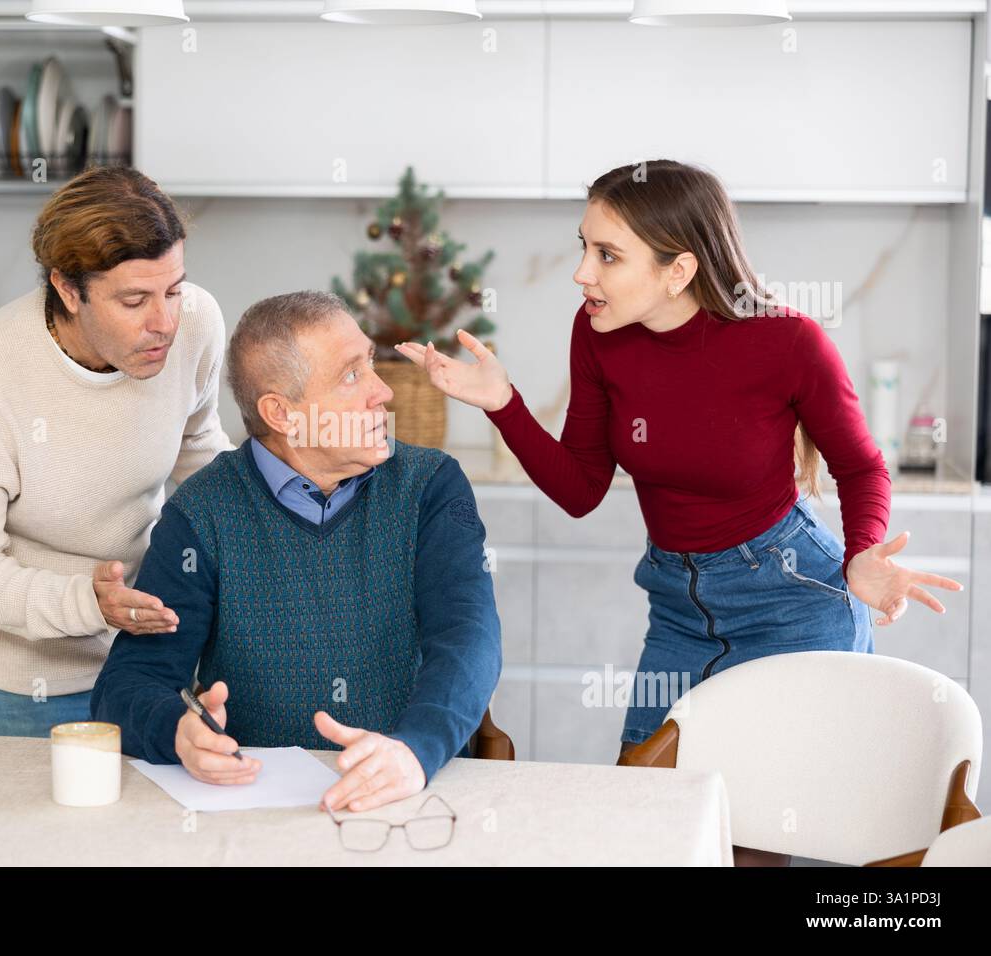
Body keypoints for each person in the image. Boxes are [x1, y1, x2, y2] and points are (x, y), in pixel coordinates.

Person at [396, 159, 962, 863]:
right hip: (679, 608)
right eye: (583, 247)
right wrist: (505, 405)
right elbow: (580, 488)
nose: (582, 273)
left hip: (792, 600)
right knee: (648, 811)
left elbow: (860, 465)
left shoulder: (786, 341)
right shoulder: (599, 333)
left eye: (607, 255)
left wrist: (862, 553)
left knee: (761, 833)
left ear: (678, 269)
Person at [91, 290, 502, 813]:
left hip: (408, 800)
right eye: (352, 375)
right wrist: (177, 732)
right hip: (259, 814)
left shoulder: (431, 486)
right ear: (282, 413)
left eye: (370, 363)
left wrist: (415, 750)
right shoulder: (202, 512)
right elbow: (130, 683)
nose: (383, 393)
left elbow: (469, 636)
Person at [0, 164, 233, 737]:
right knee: (36, 827)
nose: (164, 321)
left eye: (174, 289)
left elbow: (197, 444)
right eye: (134, 300)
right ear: (68, 288)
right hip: (17, 677)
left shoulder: (196, 323)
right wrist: (88, 605)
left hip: (141, 652)